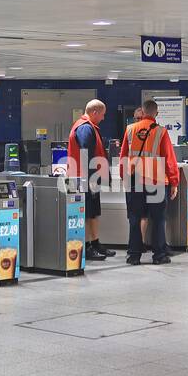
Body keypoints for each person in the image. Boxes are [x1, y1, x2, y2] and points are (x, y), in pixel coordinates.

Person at [121, 98, 179, 265]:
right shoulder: (161, 132)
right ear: (156, 113)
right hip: (157, 180)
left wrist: (126, 177)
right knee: (158, 219)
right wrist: (174, 181)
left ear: (143, 112)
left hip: (135, 180)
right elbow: (169, 159)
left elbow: (123, 156)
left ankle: (133, 255)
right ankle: (159, 255)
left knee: (134, 218)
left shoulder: (130, 129)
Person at [68, 99, 116, 261]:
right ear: (94, 112)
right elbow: (86, 155)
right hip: (84, 178)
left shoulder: (89, 127)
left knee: (93, 212)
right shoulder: (84, 128)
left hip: (88, 177)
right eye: (102, 115)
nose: (103, 118)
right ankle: (87, 246)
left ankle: (95, 243)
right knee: (86, 212)